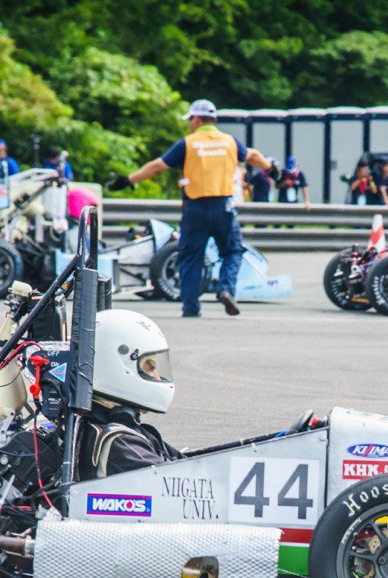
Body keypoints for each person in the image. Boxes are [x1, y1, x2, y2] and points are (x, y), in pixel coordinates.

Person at [106, 99, 281, 318]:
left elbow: (157, 166)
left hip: (195, 208)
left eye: (190, 120)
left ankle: (190, 306)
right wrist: (271, 169)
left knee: (190, 256)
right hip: (223, 208)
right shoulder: (229, 142)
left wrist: (128, 180)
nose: (190, 124)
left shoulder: (188, 144)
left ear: (197, 119)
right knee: (232, 250)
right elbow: (253, 156)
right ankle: (226, 288)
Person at [82, 309, 184, 478]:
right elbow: (178, 485)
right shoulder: (121, 444)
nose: (157, 376)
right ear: (115, 366)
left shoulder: (131, 430)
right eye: (150, 367)